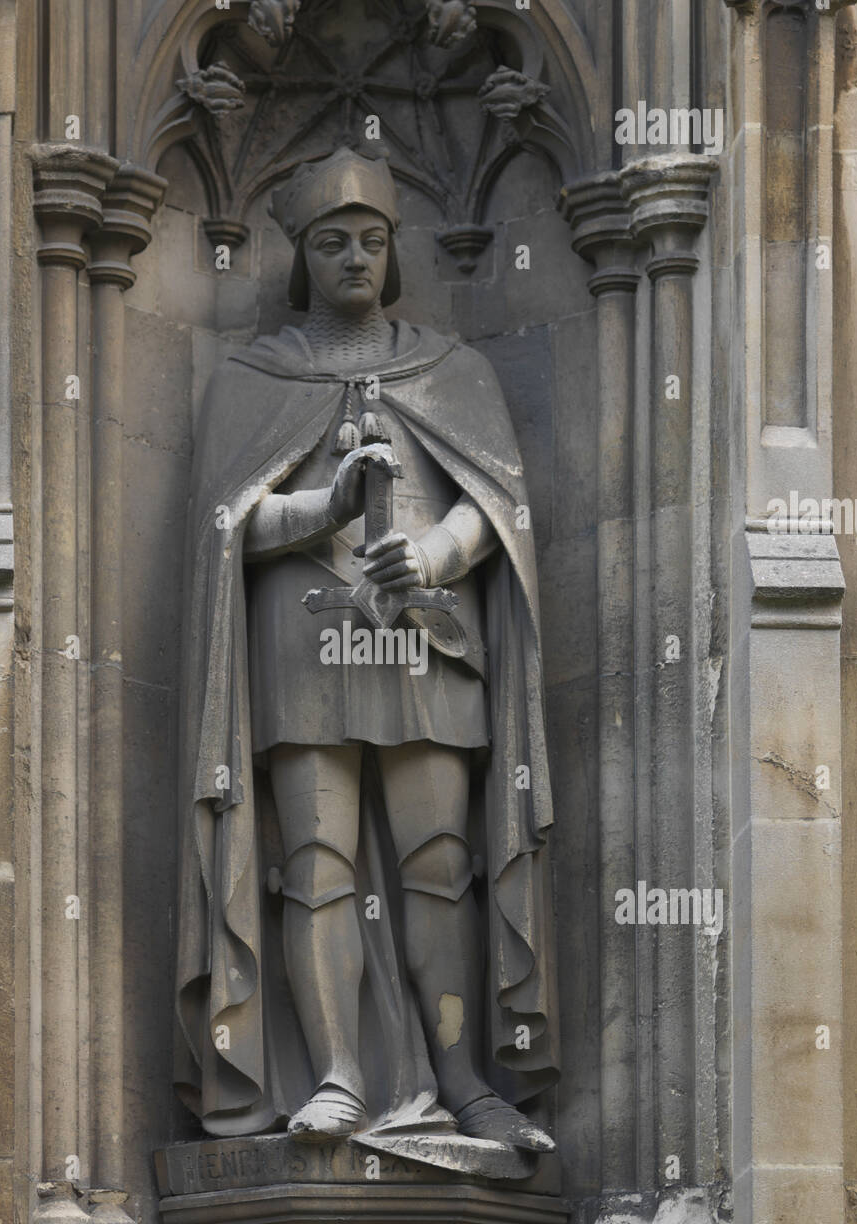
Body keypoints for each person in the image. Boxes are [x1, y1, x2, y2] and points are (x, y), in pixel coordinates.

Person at [176, 146, 558, 1163]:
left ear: (394, 255)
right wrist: (328, 505)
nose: (355, 255)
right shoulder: (260, 377)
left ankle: (466, 1077)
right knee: (314, 862)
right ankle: (340, 1070)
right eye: (333, 240)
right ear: (303, 255)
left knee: (440, 864)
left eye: (373, 239)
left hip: (427, 644)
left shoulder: (452, 370)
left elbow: (501, 511)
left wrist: (435, 552)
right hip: (301, 644)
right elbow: (229, 530)